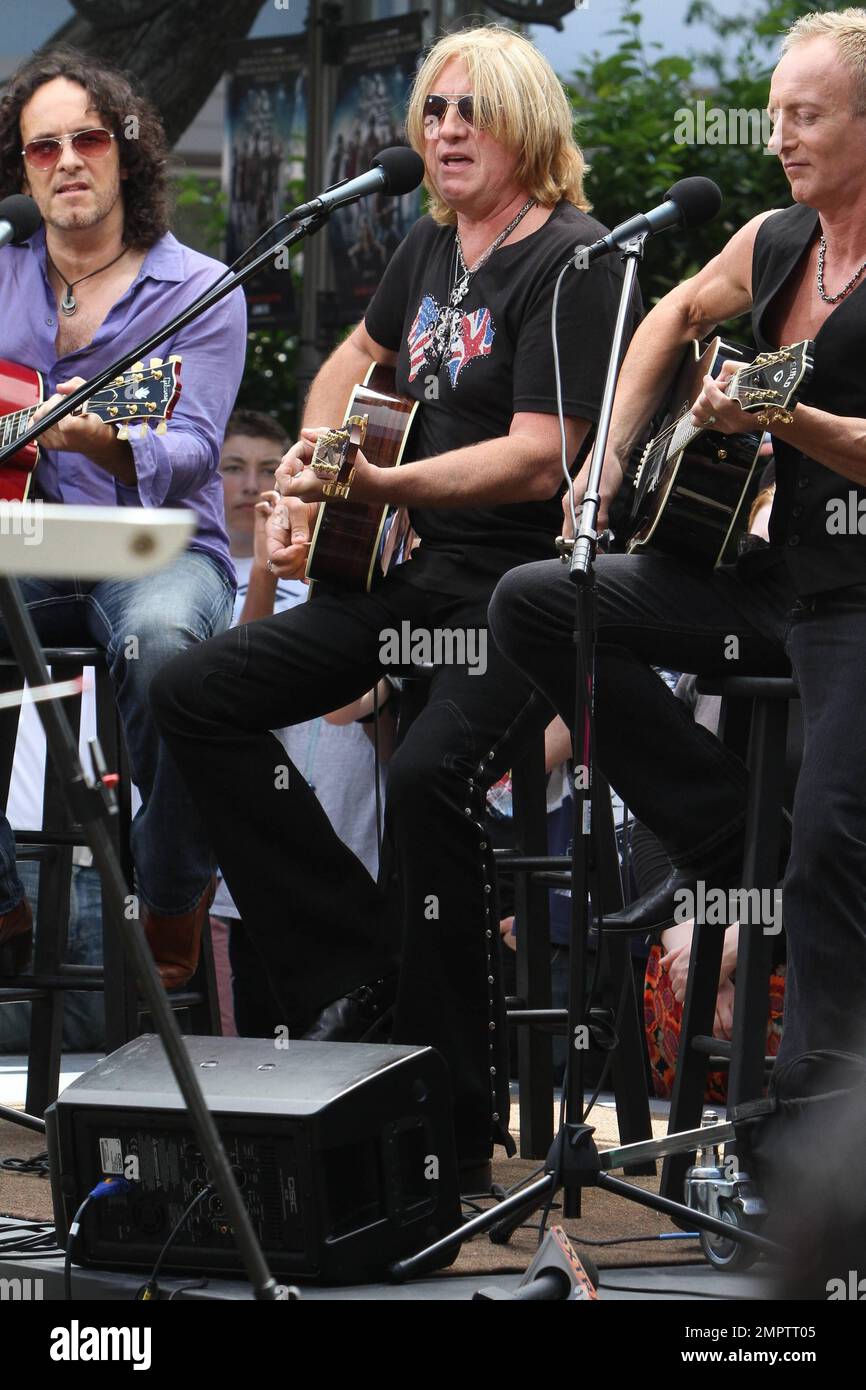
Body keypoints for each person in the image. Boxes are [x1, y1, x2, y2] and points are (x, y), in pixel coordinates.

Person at [152, 25, 640, 1182]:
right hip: (397, 579)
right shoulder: (429, 246)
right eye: (430, 112)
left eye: (469, 109)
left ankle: (457, 1138)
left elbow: (538, 455)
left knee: (426, 779)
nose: (445, 129)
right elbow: (351, 361)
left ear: (524, 119)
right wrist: (312, 471)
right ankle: (348, 960)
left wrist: (386, 481)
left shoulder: (576, 259)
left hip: (518, 599)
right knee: (194, 690)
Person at [489, 7, 866, 1075]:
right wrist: (606, 459)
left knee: (842, 843)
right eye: (770, 116)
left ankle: (805, 1150)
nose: (779, 136)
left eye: (806, 115)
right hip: (759, 577)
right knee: (534, 600)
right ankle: (733, 847)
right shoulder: (775, 240)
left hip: (854, 599)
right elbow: (667, 314)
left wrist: (789, 420)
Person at [0, 47, 247, 985]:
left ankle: (173, 897)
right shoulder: (2, 275)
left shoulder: (198, 288)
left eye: (88, 139)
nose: (66, 161)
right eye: (42, 147)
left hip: (156, 544)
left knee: (163, 645)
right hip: (22, 548)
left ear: (127, 153)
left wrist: (108, 442)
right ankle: (3, 905)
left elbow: (191, 449)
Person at [210, 409, 387, 1035]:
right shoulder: (209, 581)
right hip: (259, 881)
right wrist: (265, 567)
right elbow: (240, 684)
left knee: (349, 1057)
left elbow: (346, 705)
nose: (260, 491)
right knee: (259, 1059)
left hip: (358, 862)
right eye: (234, 469)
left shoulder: (378, 598)